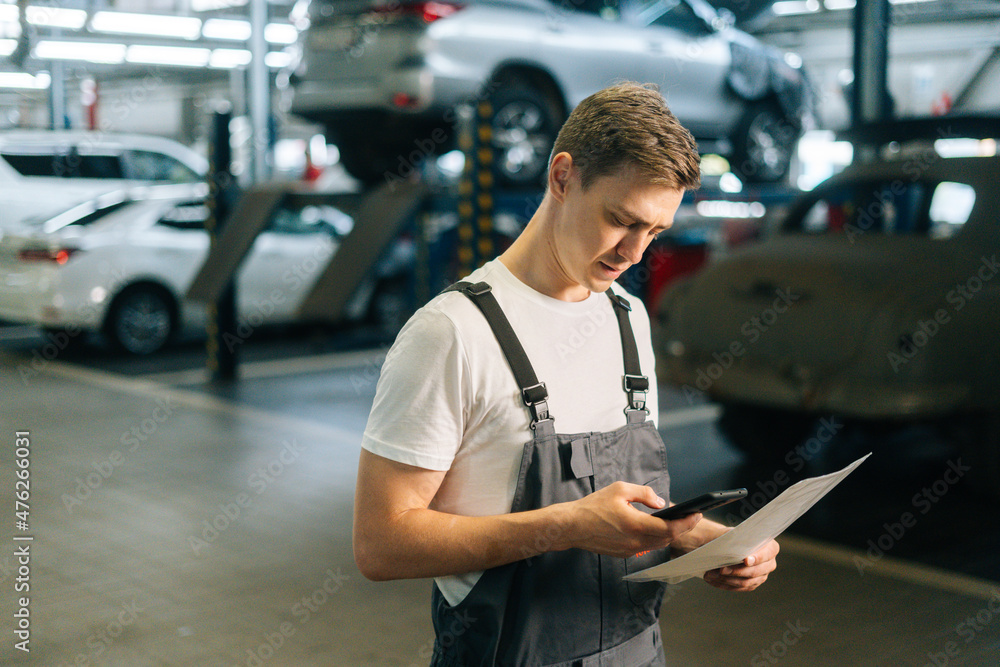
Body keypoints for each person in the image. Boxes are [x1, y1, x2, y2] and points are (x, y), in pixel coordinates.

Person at [354, 82, 780, 666]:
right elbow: (381, 545)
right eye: (621, 220)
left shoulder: (628, 318)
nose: (634, 253)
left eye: (655, 232)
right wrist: (564, 526)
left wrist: (699, 538)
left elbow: (630, 507)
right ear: (562, 177)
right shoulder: (451, 333)